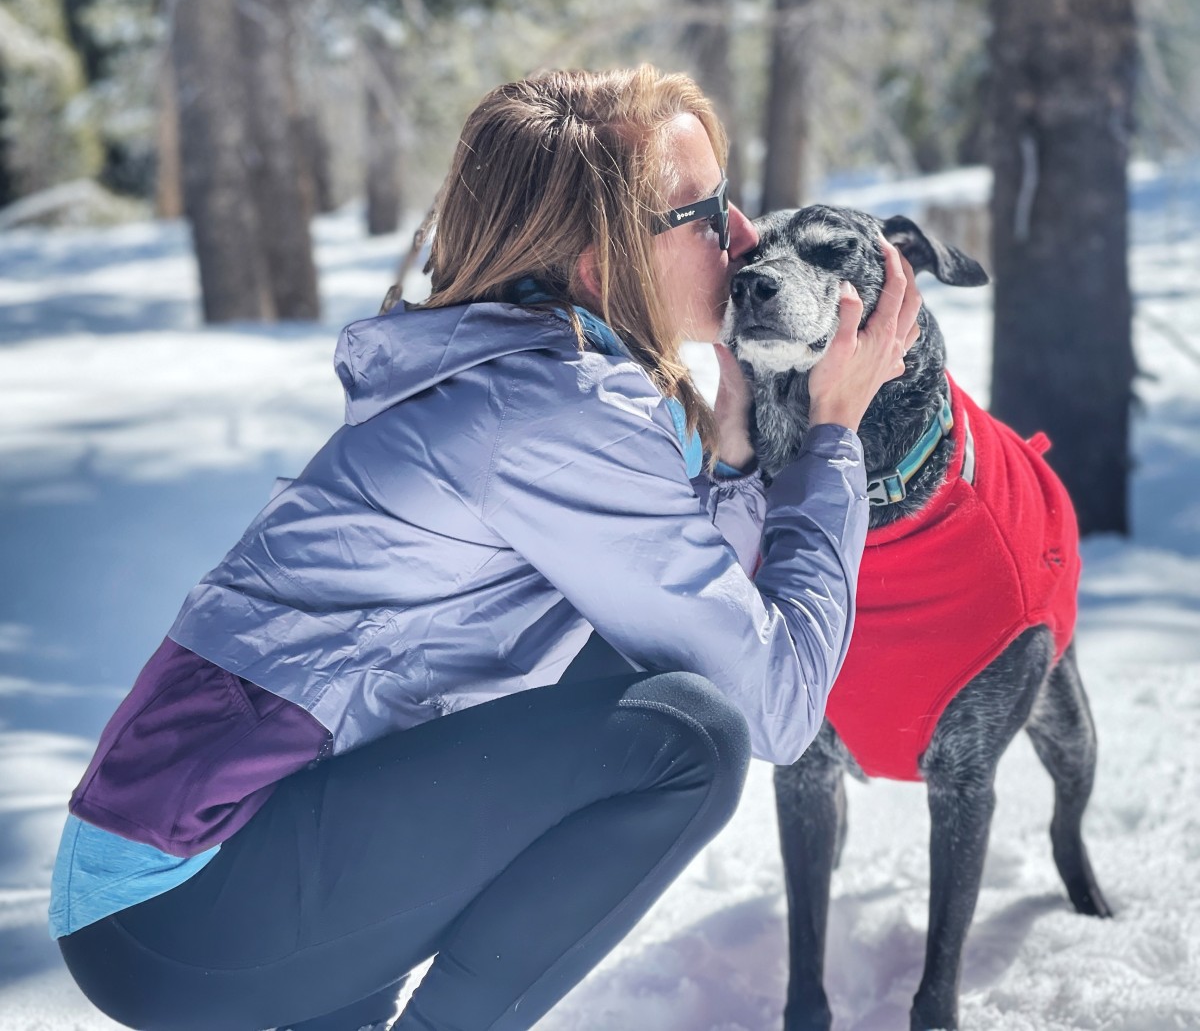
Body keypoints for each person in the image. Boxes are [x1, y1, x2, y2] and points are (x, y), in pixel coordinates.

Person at [51, 65, 920, 1031]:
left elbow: (700, 608)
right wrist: (836, 435)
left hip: (196, 870)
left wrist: (732, 439)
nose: (747, 237)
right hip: (190, 890)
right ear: (601, 262)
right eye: (709, 211)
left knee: (636, 662)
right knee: (691, 739)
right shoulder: (550, 411)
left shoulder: (531, 379)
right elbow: (778, 706)